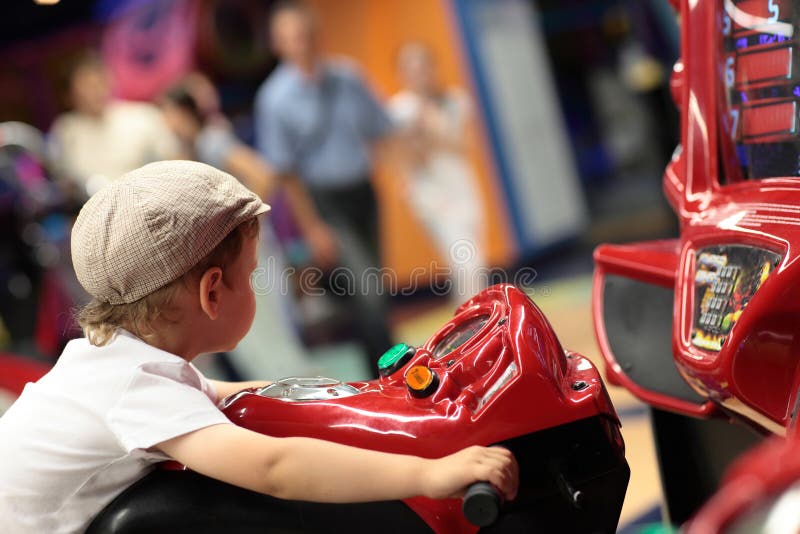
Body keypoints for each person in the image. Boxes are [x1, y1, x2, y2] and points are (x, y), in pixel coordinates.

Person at [0, 161, 518, 533]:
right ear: (211, 293)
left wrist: (368, 395)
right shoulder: (136, 386)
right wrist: (429, 474)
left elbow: (222, 391)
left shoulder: (110, 356)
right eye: (251, 276)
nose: (258, 288)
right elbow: (276, 469)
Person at [254, 1, 394, 376]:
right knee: (369, 292)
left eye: (304, 34)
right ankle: (391, 374)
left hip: (363, 192)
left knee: (374, 286)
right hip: (322, 201)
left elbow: (380, 125)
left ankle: (376, 374)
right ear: (278, 44)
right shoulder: (275, 98)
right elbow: (286, 174)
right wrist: (312, 227)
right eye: (290, 38)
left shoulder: (348, 76)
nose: (300, 43)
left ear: (316, 34)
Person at [388, 42, 488, 303]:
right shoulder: (400, 110)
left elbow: (466, 146)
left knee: (473, 260)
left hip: (462, 185)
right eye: (410, 69)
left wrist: (434, 128)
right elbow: (403, 157)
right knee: (467, 260)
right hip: (431, 193)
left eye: (422, 67)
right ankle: (476, 317)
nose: (418, 75)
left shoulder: (455, 100)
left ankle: (472, 317)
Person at [48, 52, 182, 198]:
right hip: (91, 209)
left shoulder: (143, 116)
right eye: (86, 85)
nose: (94, 91)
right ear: (70, 95)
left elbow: (177, 163)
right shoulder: (65, 130)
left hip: (145, 201)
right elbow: (60, 183)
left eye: (98, 82)